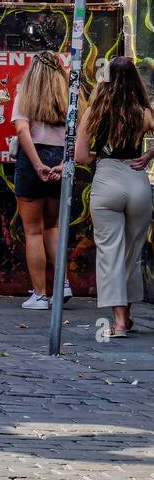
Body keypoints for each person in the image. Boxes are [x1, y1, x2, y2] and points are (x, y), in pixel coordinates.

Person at [76, 57, 154, 337]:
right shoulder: (143, 112)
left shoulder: (93, 113)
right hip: (137, 181)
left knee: (109, 252)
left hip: (106, 180)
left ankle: (119, 322)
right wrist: (148, 155)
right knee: (132, 254)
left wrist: (103, 154)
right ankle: (128, 316)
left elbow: (81, 157)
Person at [12, 51, 73, 310]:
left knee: (33, 230)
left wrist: (37, 164)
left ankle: (39, 295)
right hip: (60, 157)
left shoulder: (25, 95)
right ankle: (63, 283)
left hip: (32, 160)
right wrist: (61, 164)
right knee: (53, 227)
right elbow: (76, 133)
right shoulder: (69, 96)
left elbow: (21, 130)